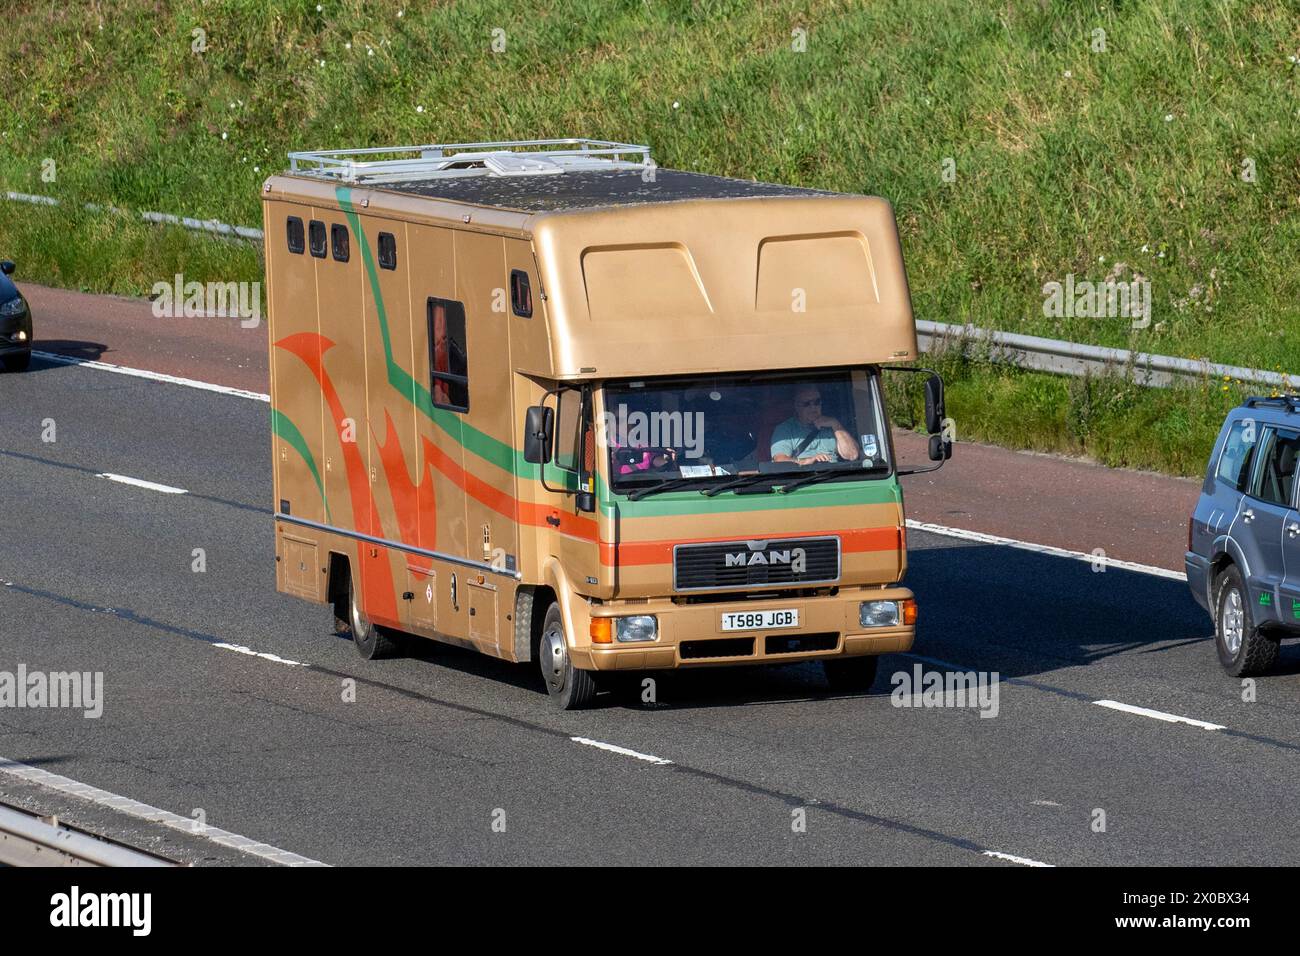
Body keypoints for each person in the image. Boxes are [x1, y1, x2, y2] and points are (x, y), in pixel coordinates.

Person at [769, 385, 860, 465]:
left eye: (817, 402)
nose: (813, 407)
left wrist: (836, 424)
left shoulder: (832, 427)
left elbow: (852, 455)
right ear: (796, 406)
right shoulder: (785, 429)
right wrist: (807, 461)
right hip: (802, 480)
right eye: (806, 404)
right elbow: (780, 461)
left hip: (833, 478)